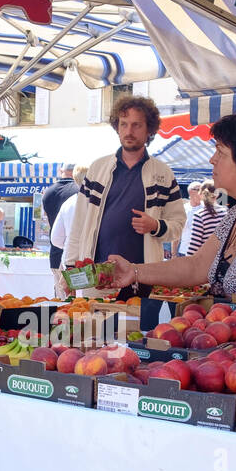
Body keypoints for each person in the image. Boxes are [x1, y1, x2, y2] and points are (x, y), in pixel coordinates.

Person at [102, 113, 236, 300]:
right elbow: (197, 265)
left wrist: (232, 318)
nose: (212, 160)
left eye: (220, 152)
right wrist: (134, 271)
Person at [61, 95, 185, 327]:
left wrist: (156, 226)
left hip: (143, 276)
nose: (129, 131)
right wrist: (69, 268)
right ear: (117, 128)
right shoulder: (98, 168)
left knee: (137, 335)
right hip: (96, 276)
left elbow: (178, 223)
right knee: (93, 337)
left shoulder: (163, 174)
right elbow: (78, 223)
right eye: (123, 124)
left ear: (149, 129)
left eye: (137, 124)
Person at [49, 165, 89, 293]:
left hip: (70, 262)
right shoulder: (99, 202)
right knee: (88, 305)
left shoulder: (68, 203)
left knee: (71, 306)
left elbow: (55, 238)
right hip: (93, 263)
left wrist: (67, 246)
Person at [42, 164, 77, 272]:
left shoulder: (48, 192)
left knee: (59, 288)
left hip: (55, 252)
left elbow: (48, 222)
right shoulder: (79, 191)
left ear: (61, 171)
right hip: (76, 256)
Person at [176, 181, 204, 255]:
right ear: (191, 192)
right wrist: (173, 253)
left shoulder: (207, 209)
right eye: (199, 189)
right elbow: (177, 233)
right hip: (183, 252)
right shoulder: (183, 209)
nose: (202, 192)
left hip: (201, 253)